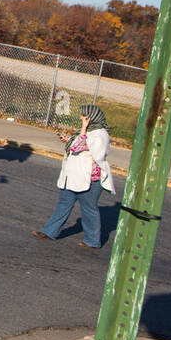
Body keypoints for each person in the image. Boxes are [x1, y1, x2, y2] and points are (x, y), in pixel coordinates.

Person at [35, 106, 115, 249]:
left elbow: (78, 147)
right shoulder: (89, 132)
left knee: (89, 209)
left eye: (84, 117)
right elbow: (76, 144)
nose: (81, 118)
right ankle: (49, 231)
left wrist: (83, 128)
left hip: (89, 180)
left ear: (92, 118)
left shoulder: (101, 134)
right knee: (63, 204)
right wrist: (68, 139)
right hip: (72, 177)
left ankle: (92, 241)